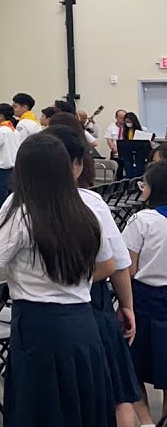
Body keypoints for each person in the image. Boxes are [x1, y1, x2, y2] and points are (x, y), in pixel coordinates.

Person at [0, 133, 117, 427]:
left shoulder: (22, 211)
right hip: (82, 322)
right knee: (82, 404)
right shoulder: (85, 209)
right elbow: (108, 265)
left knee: (42, 409)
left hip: (40, 326)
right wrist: (68, 279)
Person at [48, 126, 141, 426]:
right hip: (93, 303)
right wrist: (127, 305)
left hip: (47, 314)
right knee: (117, 395)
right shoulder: (92, 202)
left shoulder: (19, 205)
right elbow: (117, 263)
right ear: (77, 164)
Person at [124, 163, 167, 426]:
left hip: (144, 300)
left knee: (134, 365)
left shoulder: (142, 221)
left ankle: (146, 421)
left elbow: (128, 268)